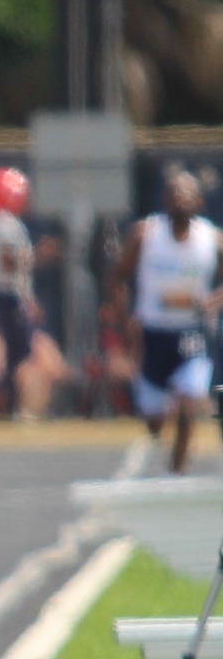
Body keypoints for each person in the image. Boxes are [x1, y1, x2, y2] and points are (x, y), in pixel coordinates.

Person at [111, 168, 222, 475]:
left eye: (186, 193)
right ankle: (159, 424)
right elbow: (118, 278)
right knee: (154, 421)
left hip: (191, 333)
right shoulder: (145, 234)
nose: (180, 198)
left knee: (189, 403)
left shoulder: (211, 239)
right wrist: (125, 321)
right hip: (154, 333)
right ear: (164, 200)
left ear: (198, 201)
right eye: (174, 193)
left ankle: (178, 470)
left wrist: (212, 300)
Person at [0, 167, 57, 422]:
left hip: (9, 292)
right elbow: (10, 265)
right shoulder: (1, 223)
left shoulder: (5, 222)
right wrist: (40, 254)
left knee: (19, 351)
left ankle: (3, 401)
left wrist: (28, 297)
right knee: (18, 349)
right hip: (4, 293)